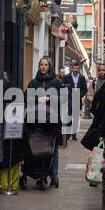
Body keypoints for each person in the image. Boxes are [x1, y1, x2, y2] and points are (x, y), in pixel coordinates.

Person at [26, 55, 63, 187]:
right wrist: (37, 100)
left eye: (46, 65)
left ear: (50, 67)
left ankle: (53, 174)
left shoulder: (56, 83)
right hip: (35, 121)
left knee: (53, 148)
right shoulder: (33, 82)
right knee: (35, 146)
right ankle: (36, 171)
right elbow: (27, 98)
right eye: (41, 64)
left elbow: (63, 99)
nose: (43, 67)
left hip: (52, 122)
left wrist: (49, 99)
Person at [81, 61, 105, 152]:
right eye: (100, 70)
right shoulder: (94, 83)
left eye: (104, 70)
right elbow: (89, 95)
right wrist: (97, 99)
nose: (102, 72)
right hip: (98, 111)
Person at [62, 62, 89, 142]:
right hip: (68, 99)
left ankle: (74, 134)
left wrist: (80, 95)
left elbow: (85, 89)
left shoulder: (82, 78)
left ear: (79, 69)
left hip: (77, 98)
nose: (75, 70)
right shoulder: (66, 77)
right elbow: (63, 87)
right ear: (71, 68)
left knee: (76, 118)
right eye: (74, 68)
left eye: (77, 68)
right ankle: (68, 133)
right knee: (69, 116)